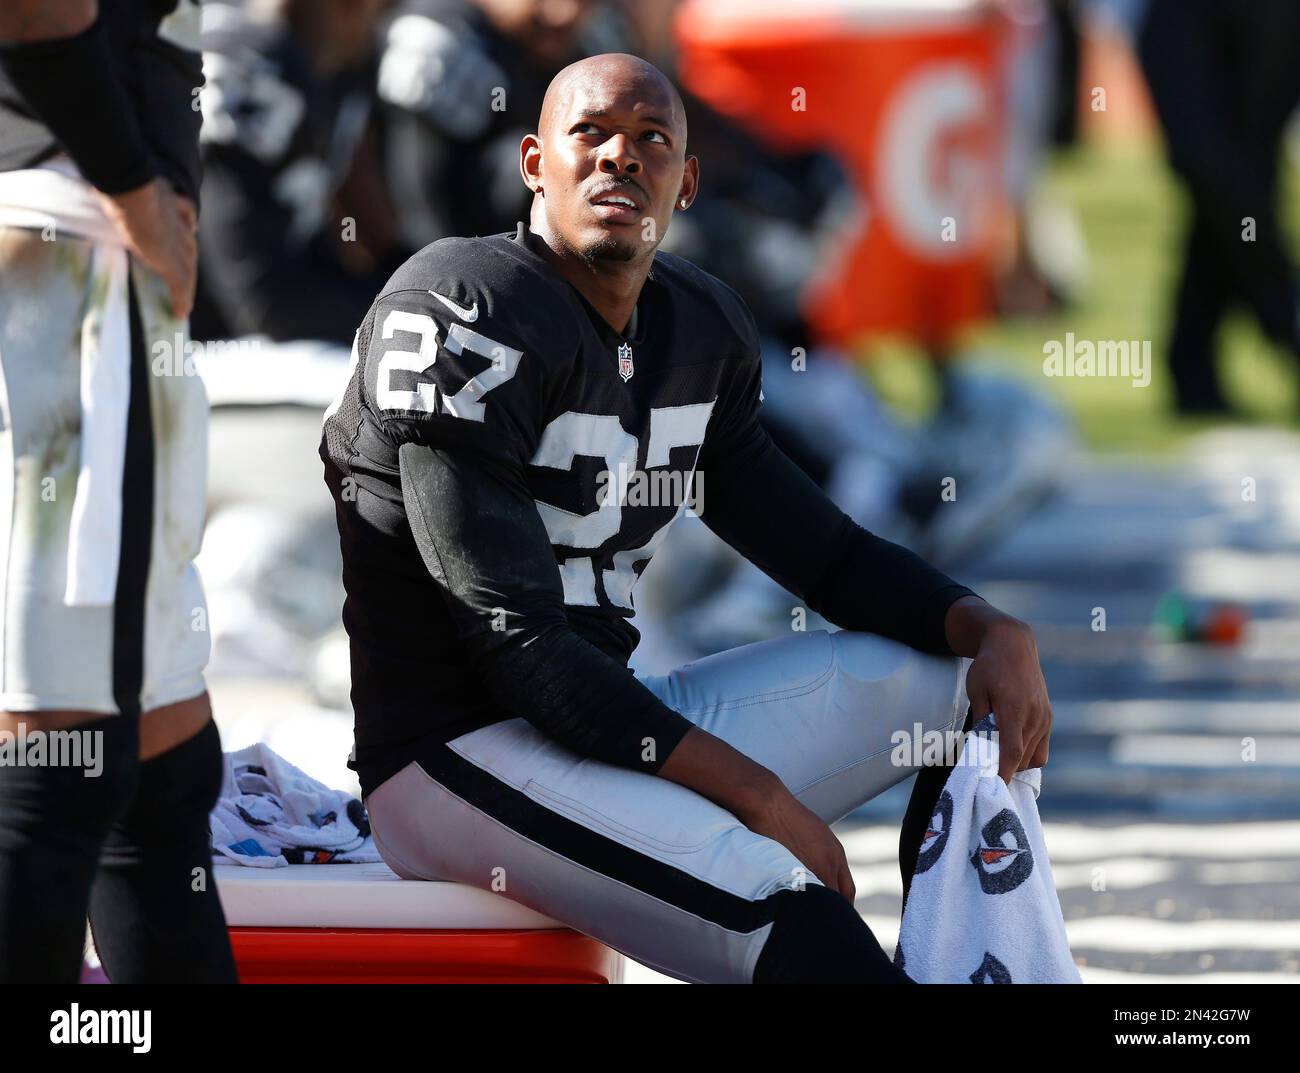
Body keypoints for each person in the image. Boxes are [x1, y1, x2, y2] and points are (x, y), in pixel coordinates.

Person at [321, 53, 1054, 983]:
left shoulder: (695, 329)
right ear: (534, 162)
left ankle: (953, 963)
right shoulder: (462, 305)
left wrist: (985, 624)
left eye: (650, 142)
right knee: (793, 920)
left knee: (959, 688)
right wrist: (760, 798)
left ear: (687, 180)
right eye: (590, 134)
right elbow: (516, 644)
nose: (619, 158)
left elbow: (823, 554)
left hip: (618, 717)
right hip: (460, 752)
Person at [0, 0, 235, 983]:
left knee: (161, 756)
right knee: (60, 754)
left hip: (91, 257)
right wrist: (134, 186)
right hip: (73, 244)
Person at [1137, 0, 1300, 414]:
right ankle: (1284, 321)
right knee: (1210, 167)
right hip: (1183, 18)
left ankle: (1193, 367)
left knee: (1240, 183)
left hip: (1271, 24)